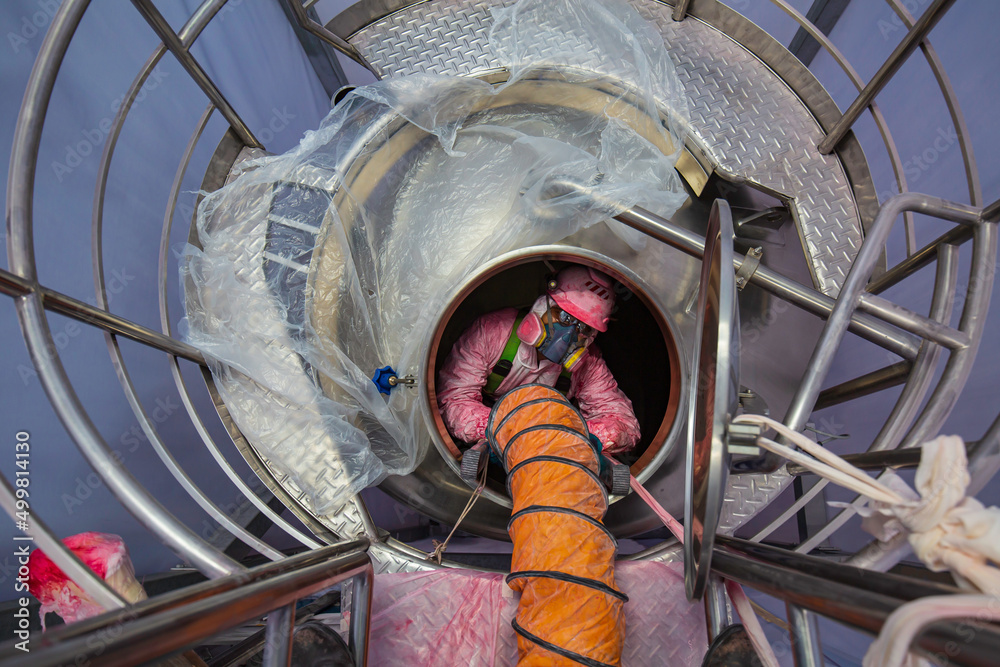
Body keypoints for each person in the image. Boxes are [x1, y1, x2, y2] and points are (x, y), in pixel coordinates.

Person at [437, 265, 641, 454]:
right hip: (495, 428)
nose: (569, 334)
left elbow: (624, 425)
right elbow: (454, 399)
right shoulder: (492, 332)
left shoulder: (589, 365)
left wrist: (574, 436)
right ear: (543, 304)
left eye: (584, 328)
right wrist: (509, 430)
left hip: (552, 444)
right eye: (564, 317)